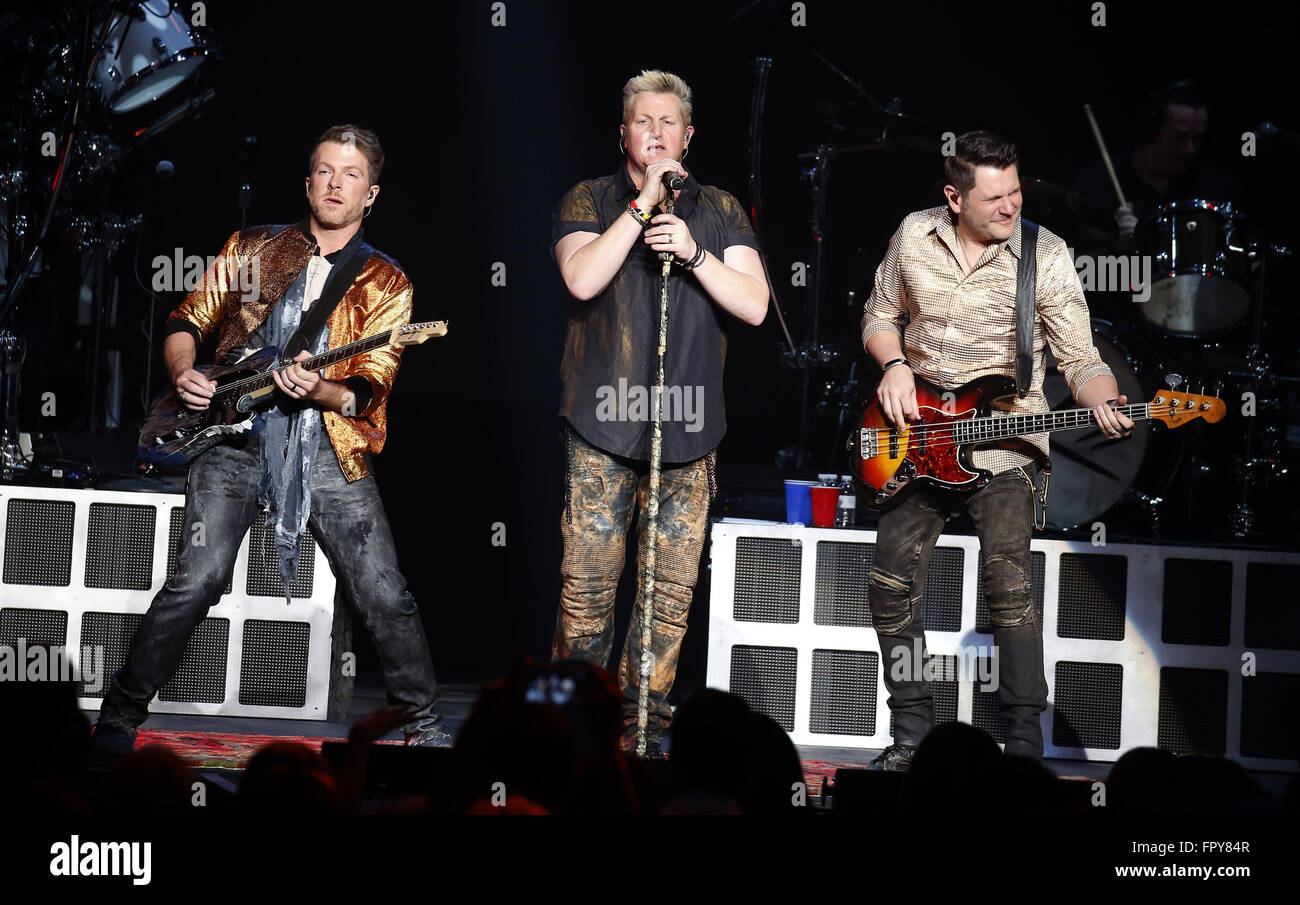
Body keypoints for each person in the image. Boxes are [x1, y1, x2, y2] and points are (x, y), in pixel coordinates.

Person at [90, 124, 448, 763]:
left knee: (384, 591)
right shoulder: (251, 248)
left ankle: (424, 725)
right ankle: (118, 718)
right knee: (196, 580)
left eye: (352, 175)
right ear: (307, 181)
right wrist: (184, 374)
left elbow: (364, 394)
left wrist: (315, 389)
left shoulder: (386, 284)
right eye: (325, 171)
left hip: (329, 448)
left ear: (371, 195)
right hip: (233, 440)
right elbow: (184, 321)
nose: (336, 184)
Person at [861, 131, 1133, 769]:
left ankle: (1022, 750)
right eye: (994, 197)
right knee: (890, 586)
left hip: (1004, 442)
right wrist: (894, 364)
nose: (1011, 206)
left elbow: (1080, 354)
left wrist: (1104, 395)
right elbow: (878, 315)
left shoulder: (1047, 253)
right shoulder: (913, 235)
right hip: (915, 434)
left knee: (1008, 589)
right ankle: (911, 739)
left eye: (1015, 191)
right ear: (954, 198)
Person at [549, 70, 769, 756]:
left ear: (688, 135)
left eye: (667, 122)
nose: (655, 133)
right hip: (603, 426)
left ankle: (640, 743)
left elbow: (756, 305)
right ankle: (569, 739)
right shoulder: (588, 198)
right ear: (625, 133)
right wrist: (640, 207)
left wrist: (696, 252)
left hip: (690, 430)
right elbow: (581, 276)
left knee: (667, 603)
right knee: (586, 597)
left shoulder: (722, 208)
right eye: (642, 122)